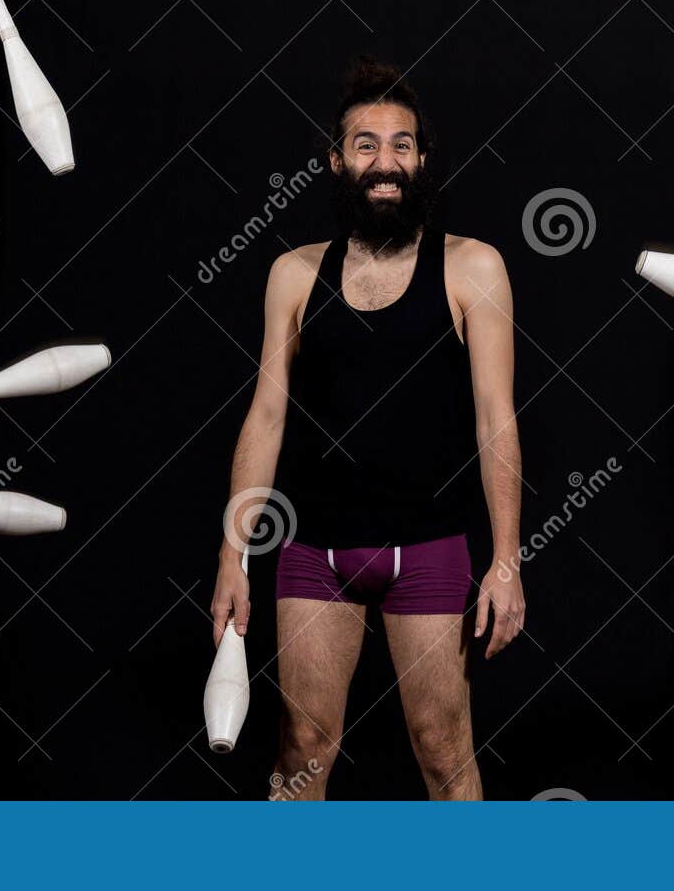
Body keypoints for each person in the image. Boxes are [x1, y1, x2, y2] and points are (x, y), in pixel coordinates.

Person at [209, 57, 523, 799]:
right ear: (335, 162)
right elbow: (267, 416)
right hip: (314, 546)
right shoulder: (293, 274)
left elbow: (495, 419)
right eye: (366, 145)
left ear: (422, 160)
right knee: (301, 749)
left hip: (430, 548)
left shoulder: (472, 267)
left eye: (403, 145)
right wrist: (232, 556)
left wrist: (506, 560)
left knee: (444, 750)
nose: (387, 162)